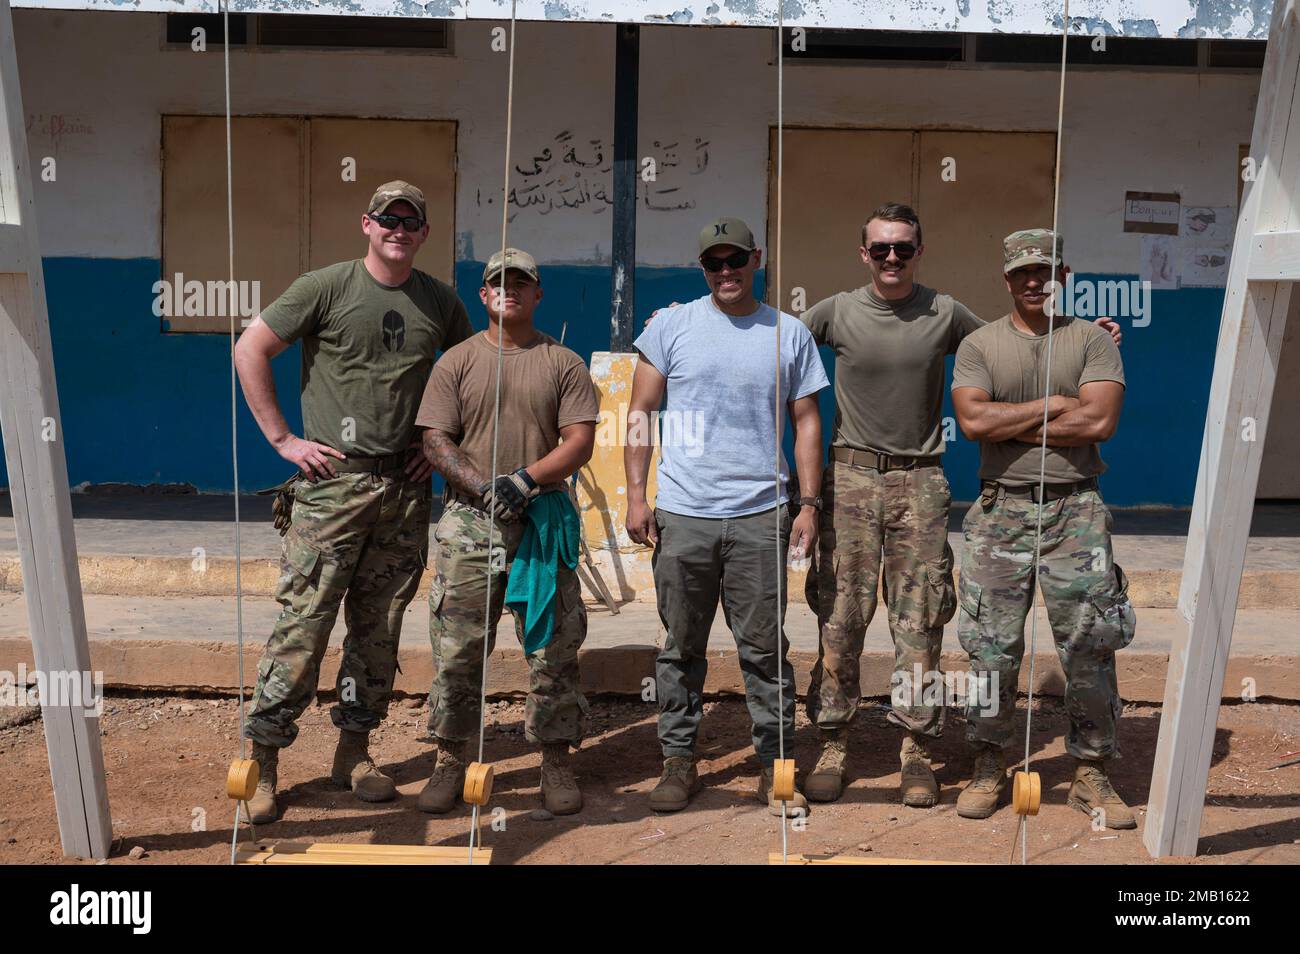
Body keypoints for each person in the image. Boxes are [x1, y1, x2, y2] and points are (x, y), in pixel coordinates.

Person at [799, 203, 1123, 807]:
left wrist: (1091, 335)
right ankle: (833, 741)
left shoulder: (948, 314)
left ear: (919, 252)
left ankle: (916, 749)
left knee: (918, 621)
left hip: (920, 484)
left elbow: (1021, 345)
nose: (891, 257)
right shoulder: (835, 311)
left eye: (903, 248)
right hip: (850, 480)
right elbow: (770, 342)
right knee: (840, 618)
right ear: (862, 252)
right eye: (880, 248)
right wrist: (688, 318)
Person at [234, 181, 472, 823]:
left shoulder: (440, 303)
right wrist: (282, 439)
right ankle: (263, 763)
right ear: (367, 224)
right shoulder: (325, 287)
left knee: (377, 631)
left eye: (411, 220)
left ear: (424, 234)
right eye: (388, 218)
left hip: (404, 491)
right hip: (332, 487)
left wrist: (439, 446)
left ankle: (354, 754)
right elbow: (250, 347)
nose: (399, 228)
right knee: (303, 625)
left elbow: (468, 374)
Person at [626, 216, 830, 815]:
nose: (725, 272)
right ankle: (679, 763)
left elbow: (807, 422)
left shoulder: (788, 333)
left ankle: (776, 768)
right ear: (703, 269)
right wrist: (637, 495)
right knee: (680, 648)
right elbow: (639, 410)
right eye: (714, 263)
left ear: (756, 259)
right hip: (683, 515)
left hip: (760, 515)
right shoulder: (670, 326)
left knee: (764, 650)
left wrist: (809, 504)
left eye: (735, 260)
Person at [949, 229, 1137, 828]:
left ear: (1064, 274)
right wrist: (1056, 405)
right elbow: (973, 420)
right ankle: (987, 763)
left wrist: (1012, 425)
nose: (1035, 280)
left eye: (1046, 269)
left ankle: (1091, 772)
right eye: (1023, 271)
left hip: (1075, 512)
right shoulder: (980, 345)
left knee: (1088, 646)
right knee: (990, 647)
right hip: (999, 509)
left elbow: (1101, 421)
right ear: (1006, 279)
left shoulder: (1092, 342)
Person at [415, 248, 598, 816]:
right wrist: (483, 485)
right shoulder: (457, 362)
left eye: (521, 282)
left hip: (542, 525)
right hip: (471, 526)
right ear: (483, 293)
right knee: (460, 649)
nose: (509, 289)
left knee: (552, 649)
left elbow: (579, 440)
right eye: (498, 281)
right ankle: (451, 759)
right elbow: (435, 439)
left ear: (538, 294)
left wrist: (523, 481)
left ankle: (556, 761)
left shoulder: (562, 362)